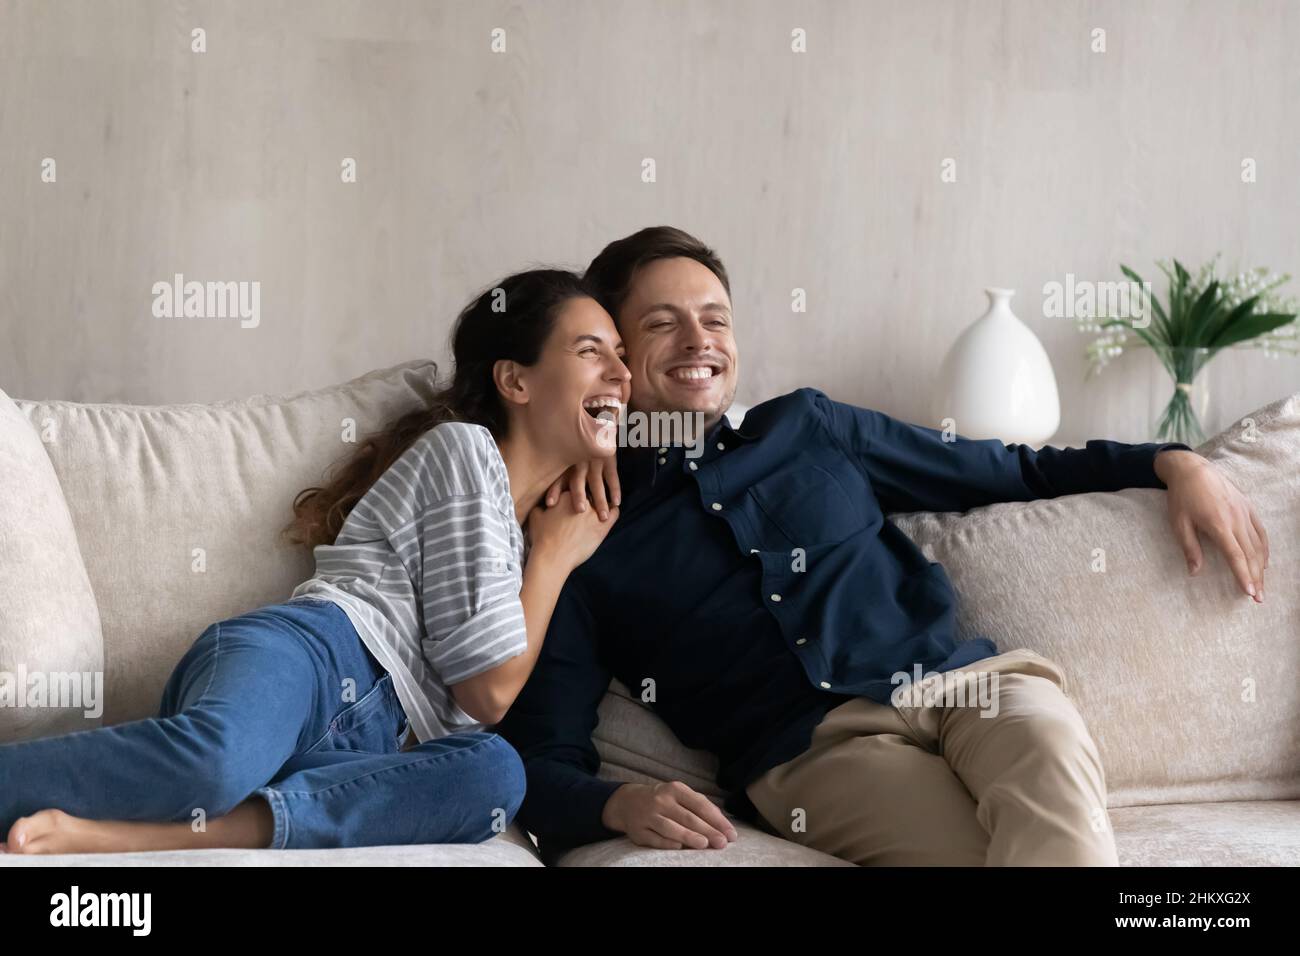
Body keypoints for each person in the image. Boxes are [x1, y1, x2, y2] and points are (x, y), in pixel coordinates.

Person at [497, 226, 1270, 865]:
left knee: (1045, 750)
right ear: (617, 356)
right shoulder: (584, 539)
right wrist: (619, 803)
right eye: (662, 322)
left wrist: (1171, 460)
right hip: (812, 757)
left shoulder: (810, 426)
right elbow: (538, 759)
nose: (700, 339)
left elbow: (1013, 468)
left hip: (966, 688)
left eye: (717, 318)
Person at [1, 268, 629, 854]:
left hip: (373, 746)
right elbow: (488, 690)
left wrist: (545, 548)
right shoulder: (466, 454)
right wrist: (552, 557)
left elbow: (485, 717)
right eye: (590, 351)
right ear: (514, 380)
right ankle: (141, 828)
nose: (619, 373)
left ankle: (151, 831)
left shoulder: (523, 533)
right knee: (213, 761)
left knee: (494, 774)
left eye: (622, 356)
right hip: (310, 658)